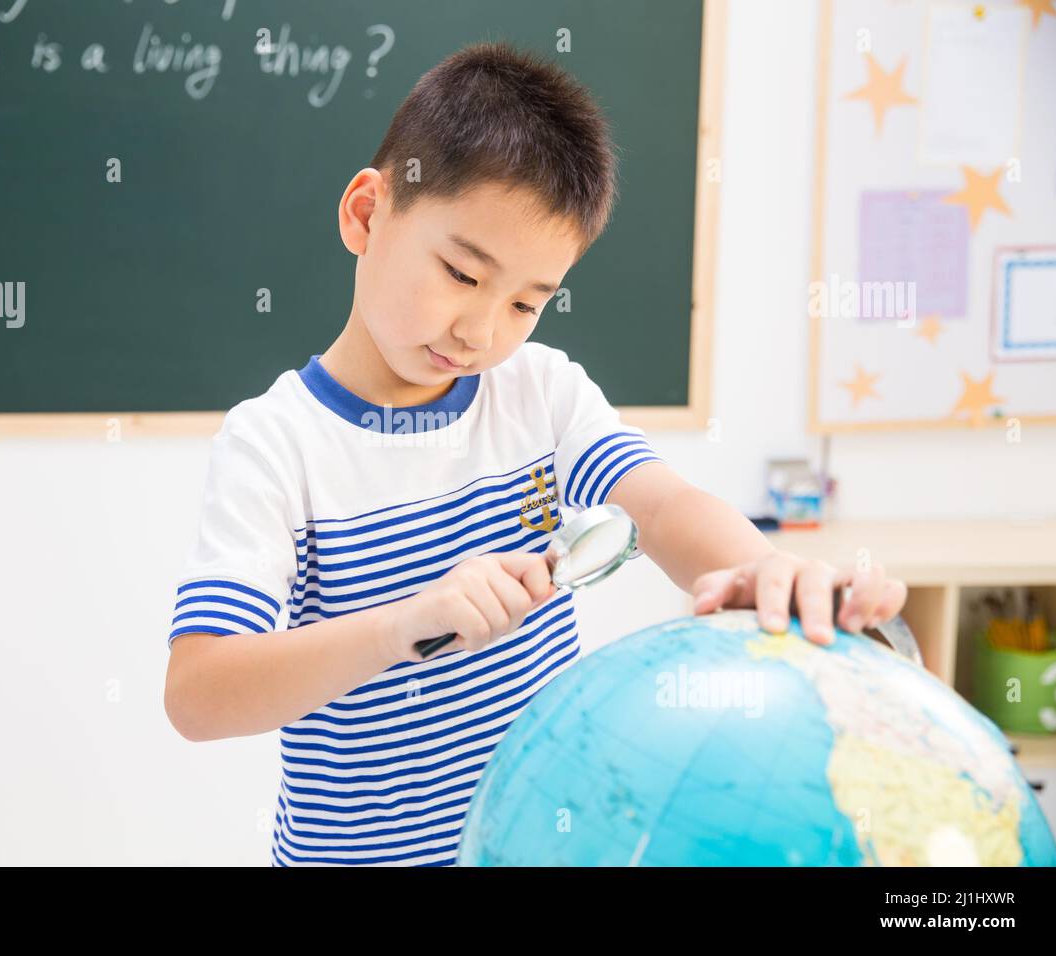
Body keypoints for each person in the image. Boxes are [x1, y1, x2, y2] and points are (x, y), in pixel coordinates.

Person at [163, 41, 907, 866]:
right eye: (459, 272)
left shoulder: (538, 392)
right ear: (367, 215)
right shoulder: (275, 445)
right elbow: (199, 694)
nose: (481, 332)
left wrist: (763, 571)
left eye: (526, 302)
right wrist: (404, 626)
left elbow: (660, 507)